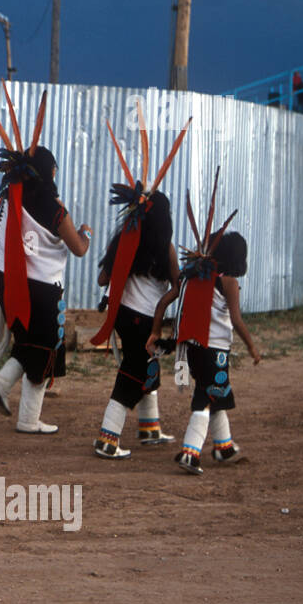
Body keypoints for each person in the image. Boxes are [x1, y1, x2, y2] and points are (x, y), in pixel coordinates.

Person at [0, 85, 90, 434]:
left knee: (28, 344)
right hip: (40, 289)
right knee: (43, 349)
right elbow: (79, 249)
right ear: (48, 174)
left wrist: (17, 248)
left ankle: (1, 385)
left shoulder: (8, 197)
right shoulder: (54, 207)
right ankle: (28, 419)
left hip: (6, 282)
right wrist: (86, 232)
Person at [88, 106, 189, 459]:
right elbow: (177, 285)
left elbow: (103, 277)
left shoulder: (123, 240)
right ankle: (107, 438)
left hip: (123, 316)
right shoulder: (166, 249)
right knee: (134, 371)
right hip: (146, 319)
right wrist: (170, 300)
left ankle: (150, 431)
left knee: (144, 366)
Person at [147, 172, 261, 475]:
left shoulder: (193, 278)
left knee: (215, 392)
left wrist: (159, 332)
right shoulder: (228, 282)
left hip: (192, 348)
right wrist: (252, 347)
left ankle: (223, 447)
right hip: (214, 351)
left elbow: (167, 302)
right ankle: (190, 451)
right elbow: (235, 320)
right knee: (207, 397)